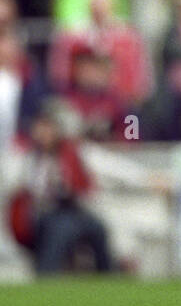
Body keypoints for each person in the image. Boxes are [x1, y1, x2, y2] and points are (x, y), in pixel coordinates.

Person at [6, 101, 111, 274]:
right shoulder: (28, 157)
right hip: (41, 213)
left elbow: (108, 166)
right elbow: (23, 189)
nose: (44, 133)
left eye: (49, 127)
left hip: (73, 209)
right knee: (61, 228)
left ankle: (108, 276)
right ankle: (46, 275)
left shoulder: (71, 153)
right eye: (41, 127)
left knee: (97, 227)